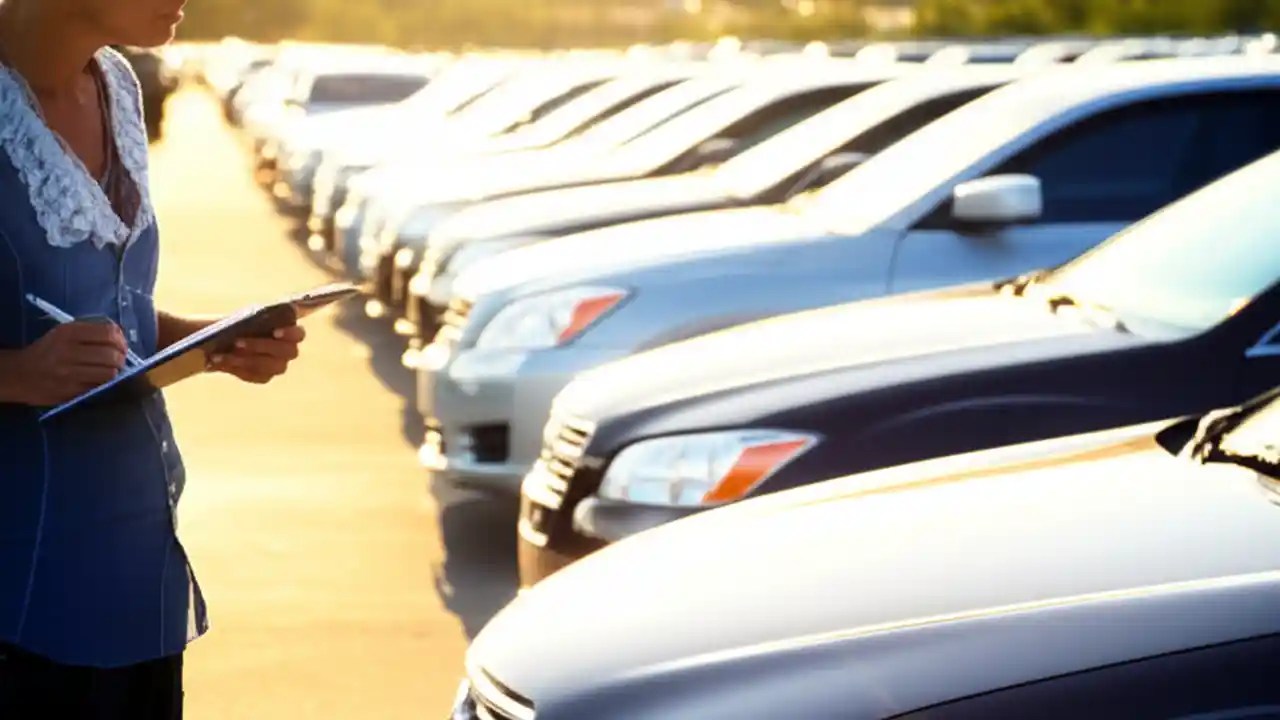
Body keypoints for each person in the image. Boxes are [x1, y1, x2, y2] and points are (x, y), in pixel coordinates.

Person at [0, 0, 305, 716]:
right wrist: (17, 374)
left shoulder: (120, 85)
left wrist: (215, 339)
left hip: (138, 567)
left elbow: (119, 315)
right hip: (20, 592)